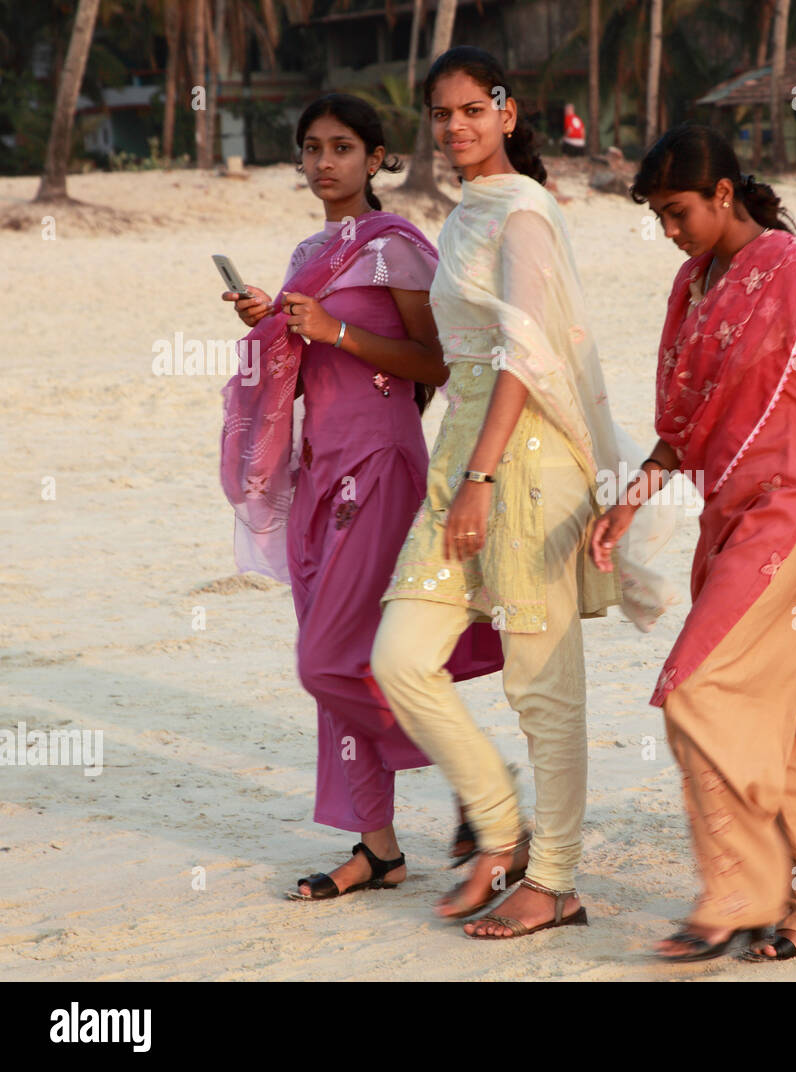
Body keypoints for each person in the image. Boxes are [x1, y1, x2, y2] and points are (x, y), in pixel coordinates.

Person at [370, 47, 676, 940]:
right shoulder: (469, 212)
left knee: (543, 687)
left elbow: (526, 352)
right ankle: (499, 828)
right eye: (441, 114)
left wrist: (481, 478)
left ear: (507, 113)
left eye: (473, 109)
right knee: (400, 657)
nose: (456, 126)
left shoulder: (527, 214)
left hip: (523, 466)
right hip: (463, 449)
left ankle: (556, 879)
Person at [592, 123, 796, 962]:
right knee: (787, 721)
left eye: (678, 212)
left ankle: (743, 887)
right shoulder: (693, 286)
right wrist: (628, 501)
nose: (670, 231)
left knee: (695, 686)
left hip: (795, 513)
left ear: (724, 194)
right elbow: (682, 428)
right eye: (658, 218)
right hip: (729, 518)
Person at [218, 93, 502, 902]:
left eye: (342, 148)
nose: (323, 163)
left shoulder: (398, 246)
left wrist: (333, 331)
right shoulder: (313, 246)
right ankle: (377, 847)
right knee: (336, 655)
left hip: (378, 462)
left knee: (326, 662)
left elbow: (434, 363)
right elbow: (307, 360)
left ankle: (477, 786)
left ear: (378, 158)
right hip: (318, 466)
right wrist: (272, 321)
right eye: (310, 148)